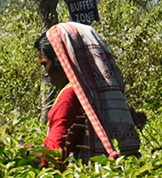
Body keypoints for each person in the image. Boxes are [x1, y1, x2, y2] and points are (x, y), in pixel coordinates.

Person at [36, 22, 144, 161]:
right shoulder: (101, 91)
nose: (45, 73)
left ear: (62, 59)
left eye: (45, 64)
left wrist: (23, 151)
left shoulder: (70, 95)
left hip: (85, 173)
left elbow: (53, 157)